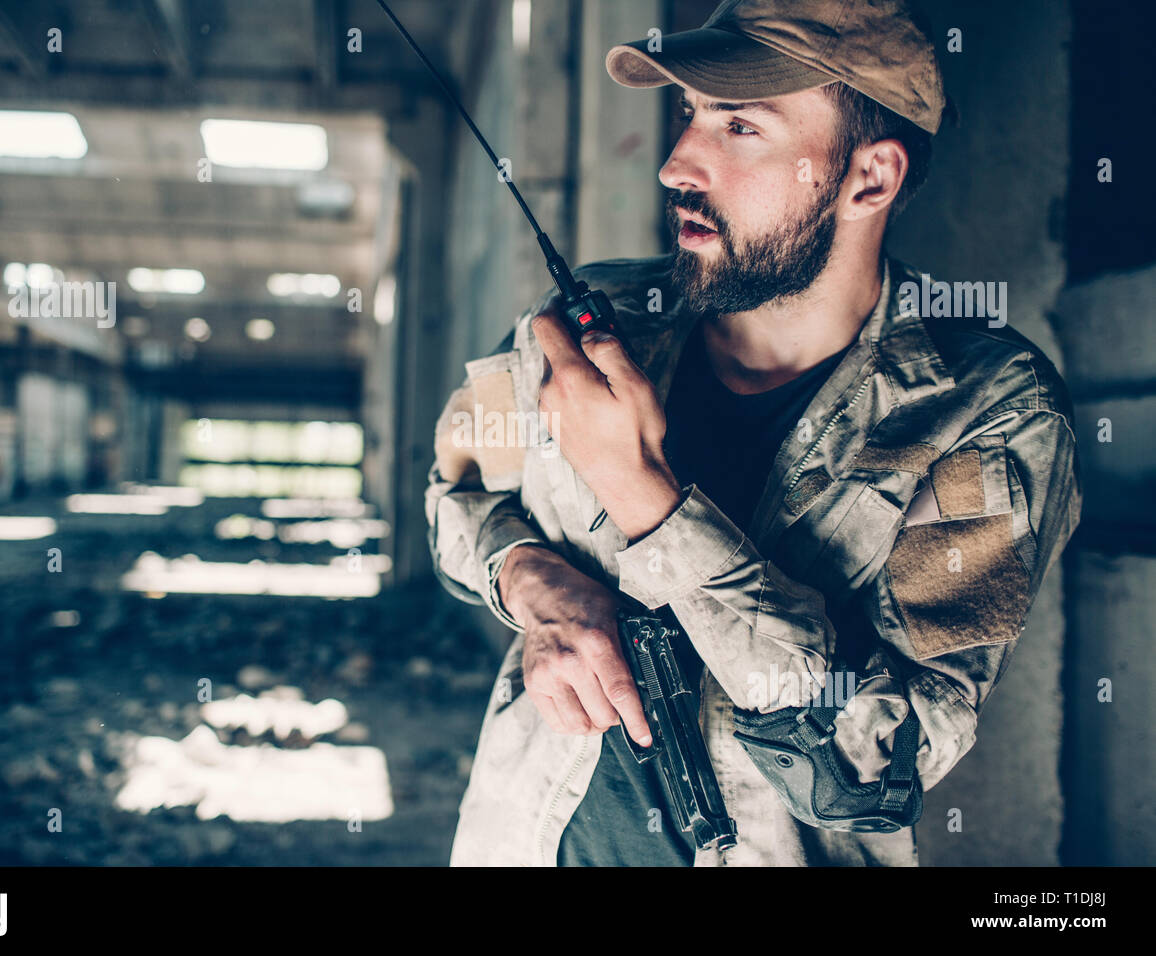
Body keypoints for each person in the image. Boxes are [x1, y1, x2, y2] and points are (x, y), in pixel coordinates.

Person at [425, 0, 1082, 866]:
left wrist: (648, 504)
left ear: (869, 180)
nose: (676, 165)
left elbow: (887, 761)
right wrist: (530, 579)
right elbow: (457, 496)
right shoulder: (595, 322)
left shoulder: (990, 413)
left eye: (739, 126)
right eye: (690, 115)